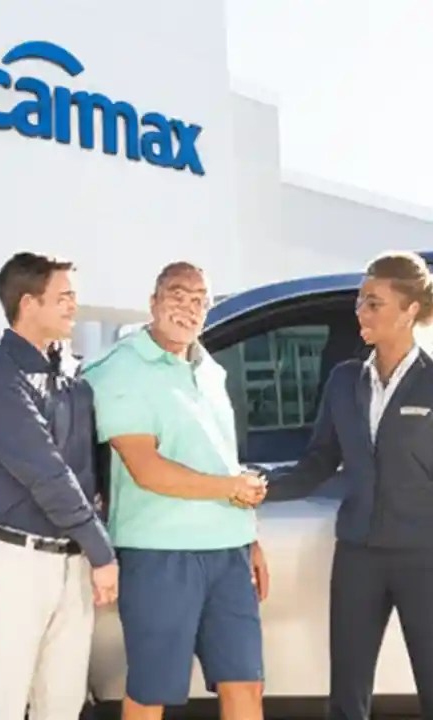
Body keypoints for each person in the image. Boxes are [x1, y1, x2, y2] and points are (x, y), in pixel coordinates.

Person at [263, 250, 433, 720]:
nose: (361, 312)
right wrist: (263, 487)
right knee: (346, 695)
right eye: (361, 301)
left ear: (410, 310)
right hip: (358, 554)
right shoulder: (345, 381)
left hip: (426, 558)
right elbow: (319, 460)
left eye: (374, 303)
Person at [81, 261, 271, 720]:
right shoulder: (117, 369)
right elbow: (147, 469)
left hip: (228, 552)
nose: (188, 308)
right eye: (177, 295)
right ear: (153, 302)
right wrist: (232, 488)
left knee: (246, 683)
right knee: (151, 693)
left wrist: (249, 538)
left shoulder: (209, 369)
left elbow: (217, 456)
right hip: (160, 554)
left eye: (199, 299)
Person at [0, 251, 119, 720]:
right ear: (29, 303)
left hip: (71, 566)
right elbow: (45, 471)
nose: (75, 305)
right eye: (64, 296)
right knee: (2, 705)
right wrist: (102, 550)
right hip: (17, 566)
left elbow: (93, 462)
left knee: (63, 706)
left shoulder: (72, 372)